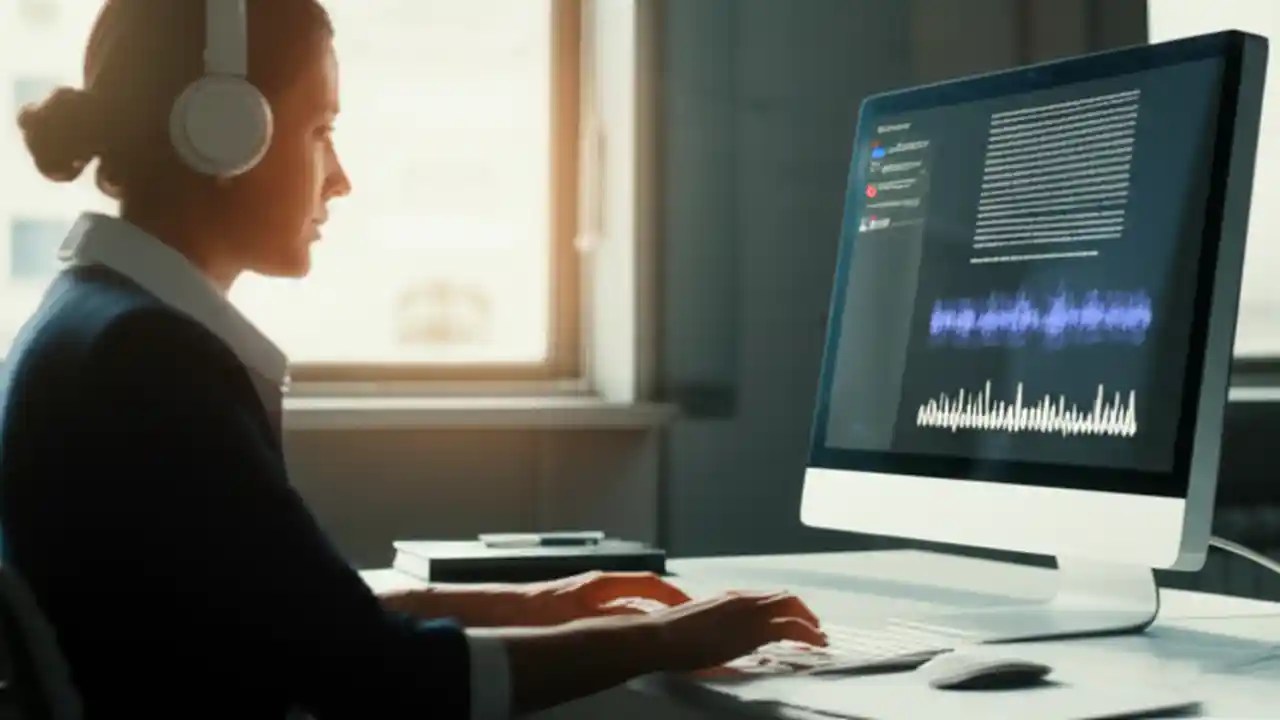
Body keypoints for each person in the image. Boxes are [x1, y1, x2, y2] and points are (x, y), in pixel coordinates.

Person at [0, 1, 826, 718]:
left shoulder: (88, 323)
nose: (341, 178)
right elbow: (378, 681)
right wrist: (658, 639)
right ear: (222, 133)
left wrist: (539, 605)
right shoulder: (151, 362)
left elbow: (288, 615)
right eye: (320, 130)